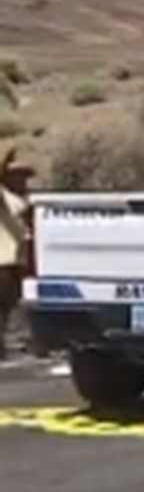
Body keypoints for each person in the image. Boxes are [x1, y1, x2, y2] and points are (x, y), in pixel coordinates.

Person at [0, 147, 28, 361]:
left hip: (19, 261)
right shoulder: (4, 198)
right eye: (17, 175)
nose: (22, 180)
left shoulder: (23, 198)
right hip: (4, 262)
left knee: (10, 307)